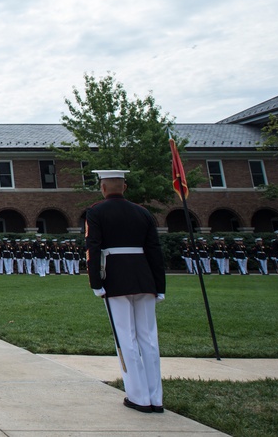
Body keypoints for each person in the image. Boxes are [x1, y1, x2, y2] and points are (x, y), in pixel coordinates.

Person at [85, 169, 165, 414]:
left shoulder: (96, 211)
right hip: (144, 279)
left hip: (116, 279)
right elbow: (154, 251)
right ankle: (156, 397)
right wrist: (159, 286)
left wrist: (96, 283)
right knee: (149, 338)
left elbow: (93, 248)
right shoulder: (143, 212)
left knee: (125, 338)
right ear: (125, 187)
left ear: (103, 188)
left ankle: (138, 396)